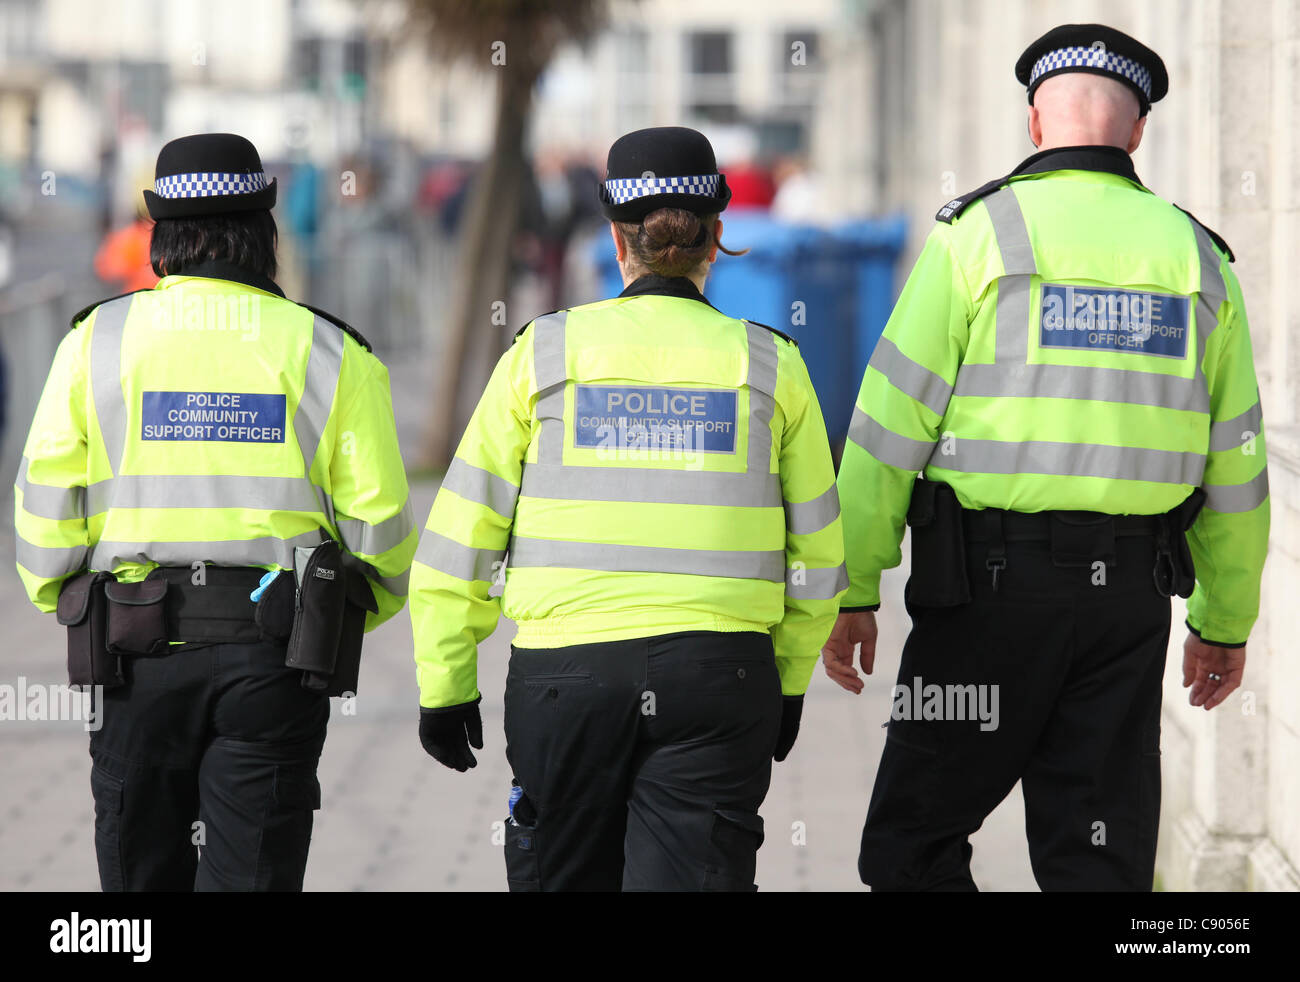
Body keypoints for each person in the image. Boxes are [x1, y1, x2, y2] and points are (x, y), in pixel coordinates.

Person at [825, 24, 1269, 891]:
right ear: (1137, 131)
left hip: (983, 602)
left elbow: (884, 434)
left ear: (1036, 122)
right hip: (1128, 613)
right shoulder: (1199, 260)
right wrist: (1224, 620)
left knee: (911, 847)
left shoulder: (974, 239)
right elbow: (1236, 469)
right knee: (1097, 863)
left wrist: (851, 588)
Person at [409, 126, 846, 891]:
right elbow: (818, 560)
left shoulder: (542, 355)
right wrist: (786, 680)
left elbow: (460, 537)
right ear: (717, 237)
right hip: (718, 680)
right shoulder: (775, 367)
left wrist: (446, 684)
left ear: (617, 238)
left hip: (564, 681)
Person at [13, 133, 417, 891]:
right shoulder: (330, 352)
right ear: (266, 237)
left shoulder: (95, 343)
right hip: (278, 657)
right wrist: (351, 613)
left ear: (160, 237)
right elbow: (383, 537)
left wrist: (63, 598)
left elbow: (43, 511)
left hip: (133, 654)